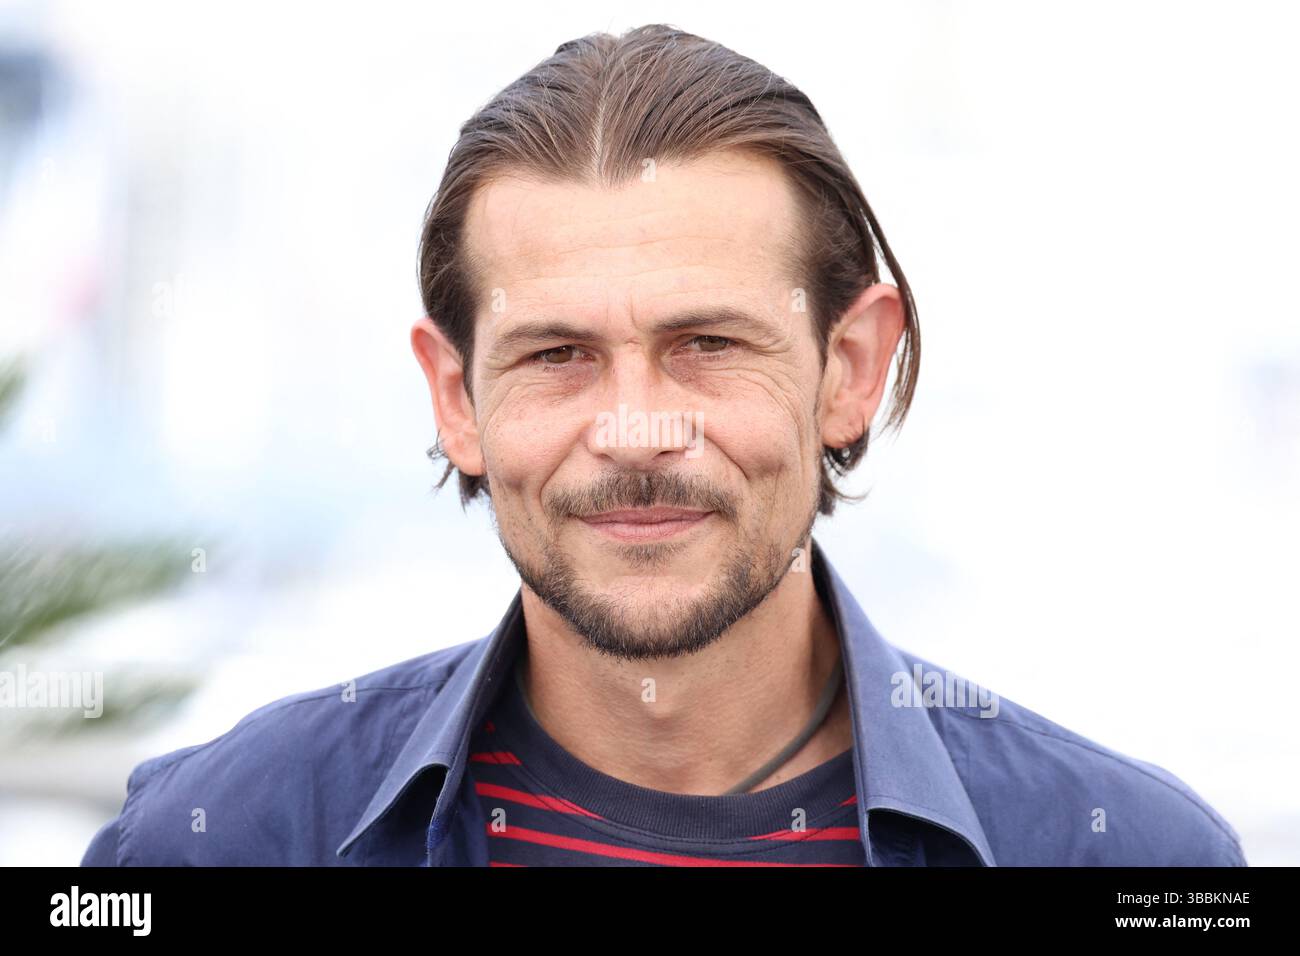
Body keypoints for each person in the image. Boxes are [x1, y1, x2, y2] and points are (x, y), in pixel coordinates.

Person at [81, 23, 1245, 867]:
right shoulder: (227, 837)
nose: (635, 428)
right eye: (556, 355)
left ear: (847, 370)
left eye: (704, 343)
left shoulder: (1127, 858)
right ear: (455, 397)